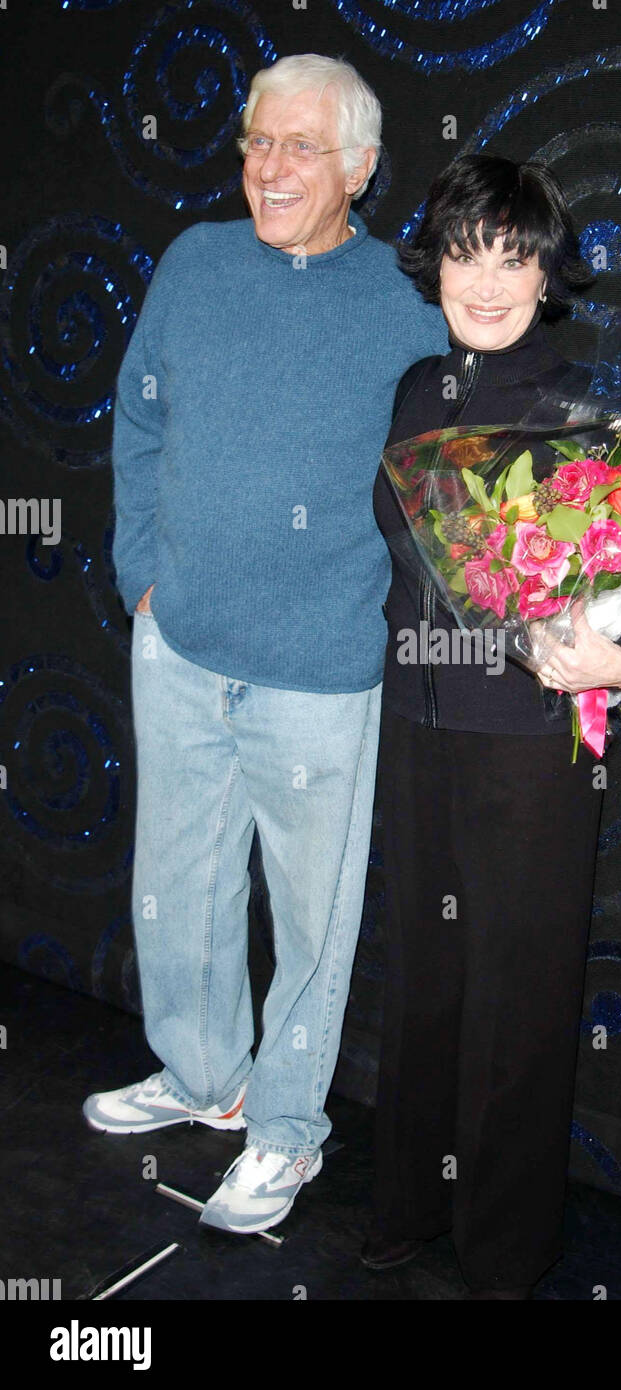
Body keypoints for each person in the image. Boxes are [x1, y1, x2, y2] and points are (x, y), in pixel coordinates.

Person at [82, 54, 447, 1236]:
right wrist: (141, 570)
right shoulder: (193, 262)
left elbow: (470, 461)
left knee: (310, 923)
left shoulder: (406, 301)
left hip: (318, 675)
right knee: (174, 894)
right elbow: (138, 415)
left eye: (299, 147)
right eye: (256, 140)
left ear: (358, 167)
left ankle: (286, 1133)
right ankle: (204, 1082)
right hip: (179, 646)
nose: (269, 166)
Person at [364, 154, 621, 1296]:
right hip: (414, 724)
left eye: (512, 256)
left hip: (529, 749)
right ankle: (405, 1199)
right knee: (422, 977)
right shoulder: (411, 392)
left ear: (548, 274)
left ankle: (500, 1247)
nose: (486, 280)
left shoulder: (583, 410)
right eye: (464, 253)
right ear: (435, 266)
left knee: (519, 992)